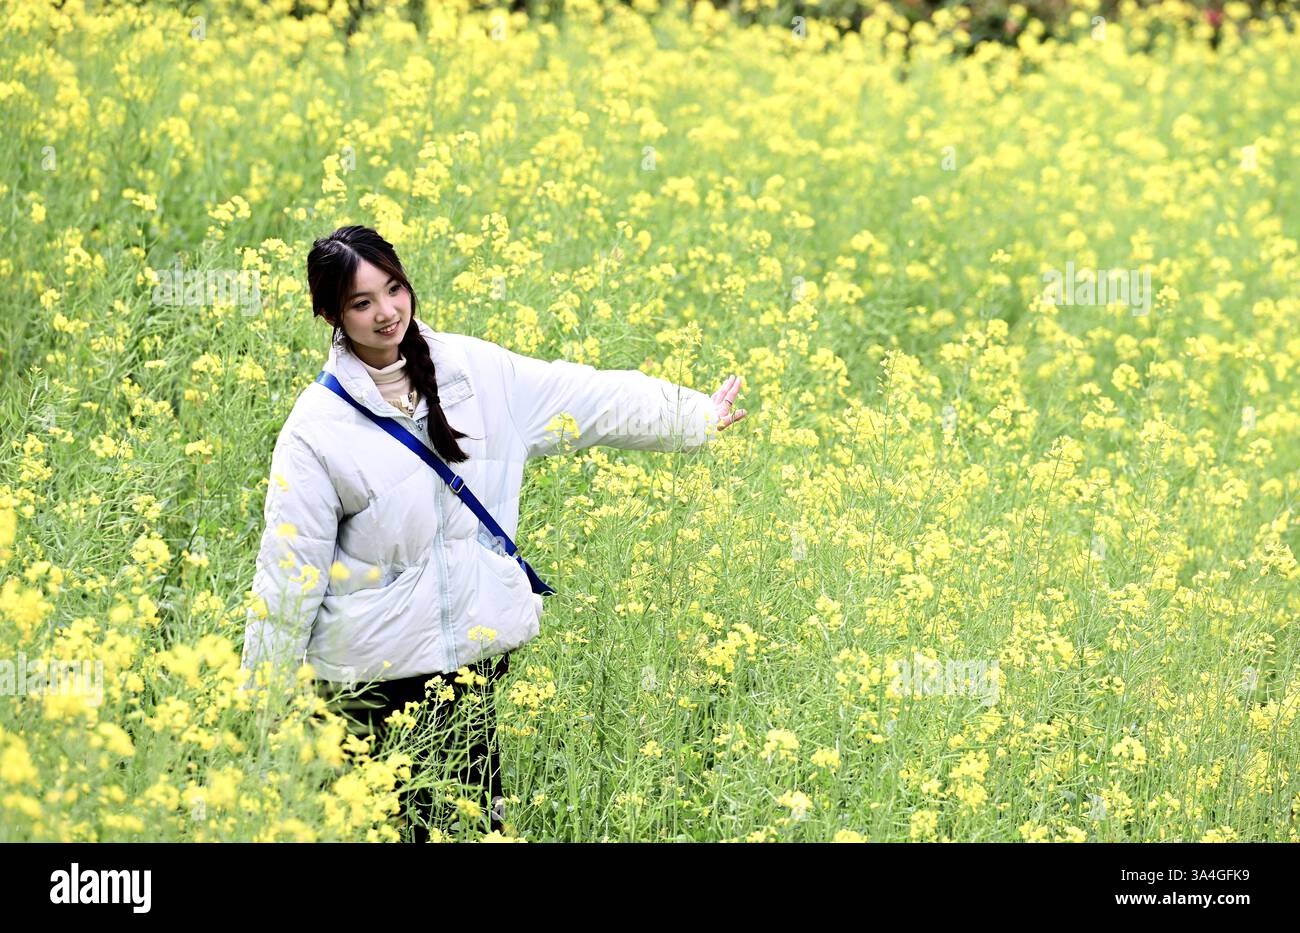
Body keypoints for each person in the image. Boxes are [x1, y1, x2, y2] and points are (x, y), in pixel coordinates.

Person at [239, 224, 748, 840]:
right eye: (361, 302)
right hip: (367, 688)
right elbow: (289, 575)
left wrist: (692, 415)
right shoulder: (316, 429)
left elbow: (588, 398)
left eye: (394, 289)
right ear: (331, 314)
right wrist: (262, 709)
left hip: (462, 671)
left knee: (469, 830)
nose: (386, 313)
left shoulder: (476, 372)